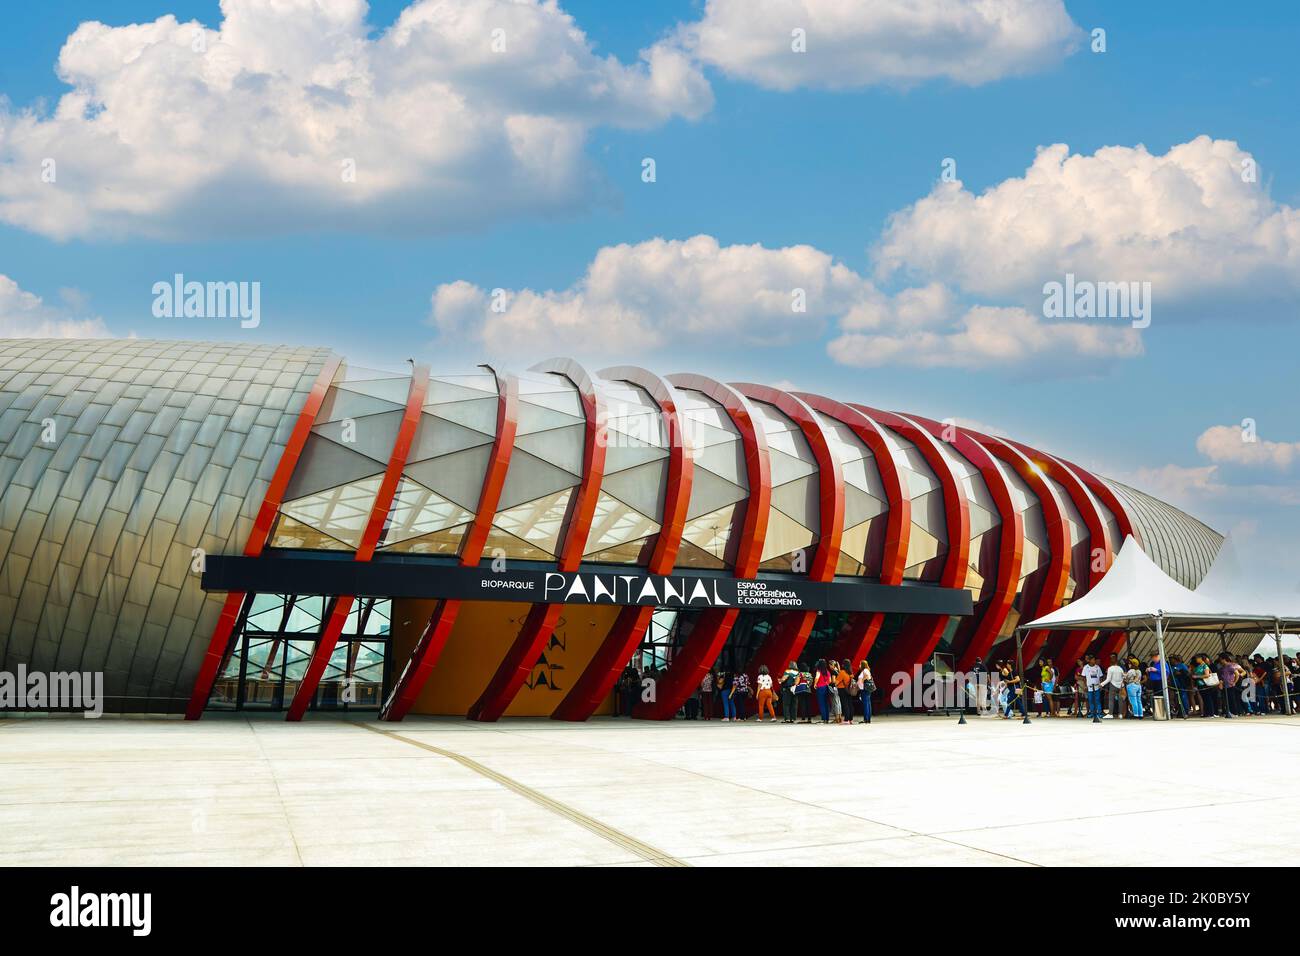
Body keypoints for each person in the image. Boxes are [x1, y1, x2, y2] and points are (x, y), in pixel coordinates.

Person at [1081, 655, 1104, 719]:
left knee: (1097, 700)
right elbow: (1083, 677)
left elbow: (1101, 676)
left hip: (1097, 687)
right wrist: (1085, 685)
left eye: (1094, 660)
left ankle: (1099, 713)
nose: (1094, 661)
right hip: (1089, 687)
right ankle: (1092, 713)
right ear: (1090, 660)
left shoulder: (1097, 667)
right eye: (1093, 660)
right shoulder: (1086, 667)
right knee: (1091, 700)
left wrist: (1101, 684)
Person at [814, 659, 832, 723]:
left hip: (820, 688)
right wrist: (826, 683)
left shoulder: (819, 671)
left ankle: (823, 719)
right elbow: (830, 681)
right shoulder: (827, 671)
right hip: (826, 687)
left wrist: (815, 684)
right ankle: (827, 719)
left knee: (822, 704)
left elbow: (817, 678)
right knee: (826, 703)